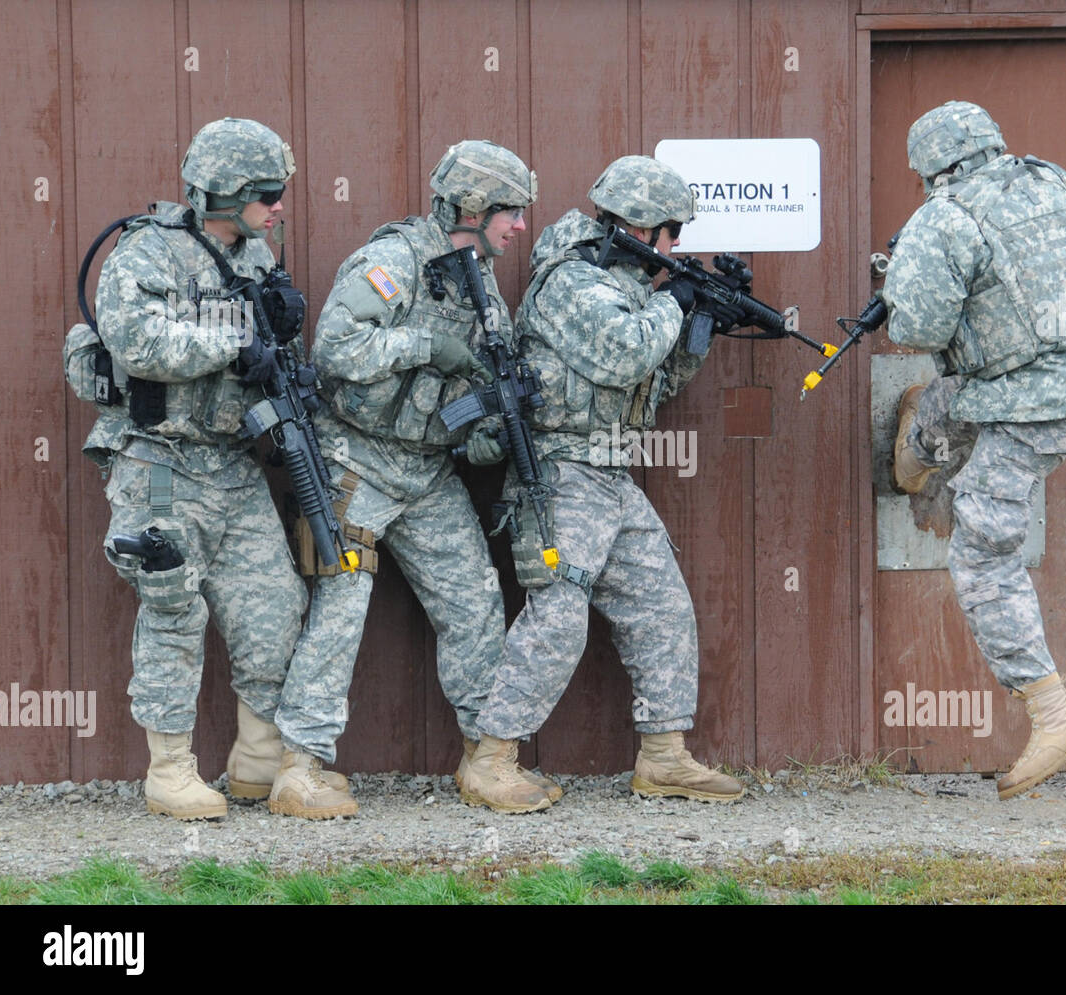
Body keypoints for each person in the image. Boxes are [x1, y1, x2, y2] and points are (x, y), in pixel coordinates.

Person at [269, 140, 548, 817]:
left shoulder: (481, 284)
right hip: (357, 460)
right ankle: (299, 767)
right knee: (340, 607)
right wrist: (428, 345)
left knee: (473, 600)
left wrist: (494, 430)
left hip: (425, 470)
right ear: (475, 208)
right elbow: (335, 349)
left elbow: (470, 397)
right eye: (510, 213)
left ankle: (486, 757)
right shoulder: (394, 261)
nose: (518, 227)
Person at [461, 155, 746, 813]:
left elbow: (653, 382)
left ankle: (664, 756)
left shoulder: (630, 286)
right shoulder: (572, 282)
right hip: (564, 472)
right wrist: (676, 302)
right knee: (560, 614)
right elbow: (624, 351)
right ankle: (492, 758)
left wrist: (697, 329)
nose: (676, 248)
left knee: (662, 606)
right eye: (672, 233)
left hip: (611, 472)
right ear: (645, 227)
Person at [882, 100, 1066, 799]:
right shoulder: (1058, 181)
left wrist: (910, 277)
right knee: (944, 400)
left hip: (1028, 407)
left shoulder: (943, 219)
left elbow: (918, 325)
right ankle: (918, 455)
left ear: (930, 166)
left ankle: (1053, 714)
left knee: (983, 552)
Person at [86, 117, 314, 819]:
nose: (279, 206)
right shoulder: (146, 251)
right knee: (173, 607)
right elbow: (135, 340)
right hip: (162, 461)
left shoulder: (255, 258)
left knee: (274, 609)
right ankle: (170, 771)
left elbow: (270, 348)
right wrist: (233, 342)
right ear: (226, 191)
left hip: (233, 466)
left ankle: (255, 758)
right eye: (267, 192)